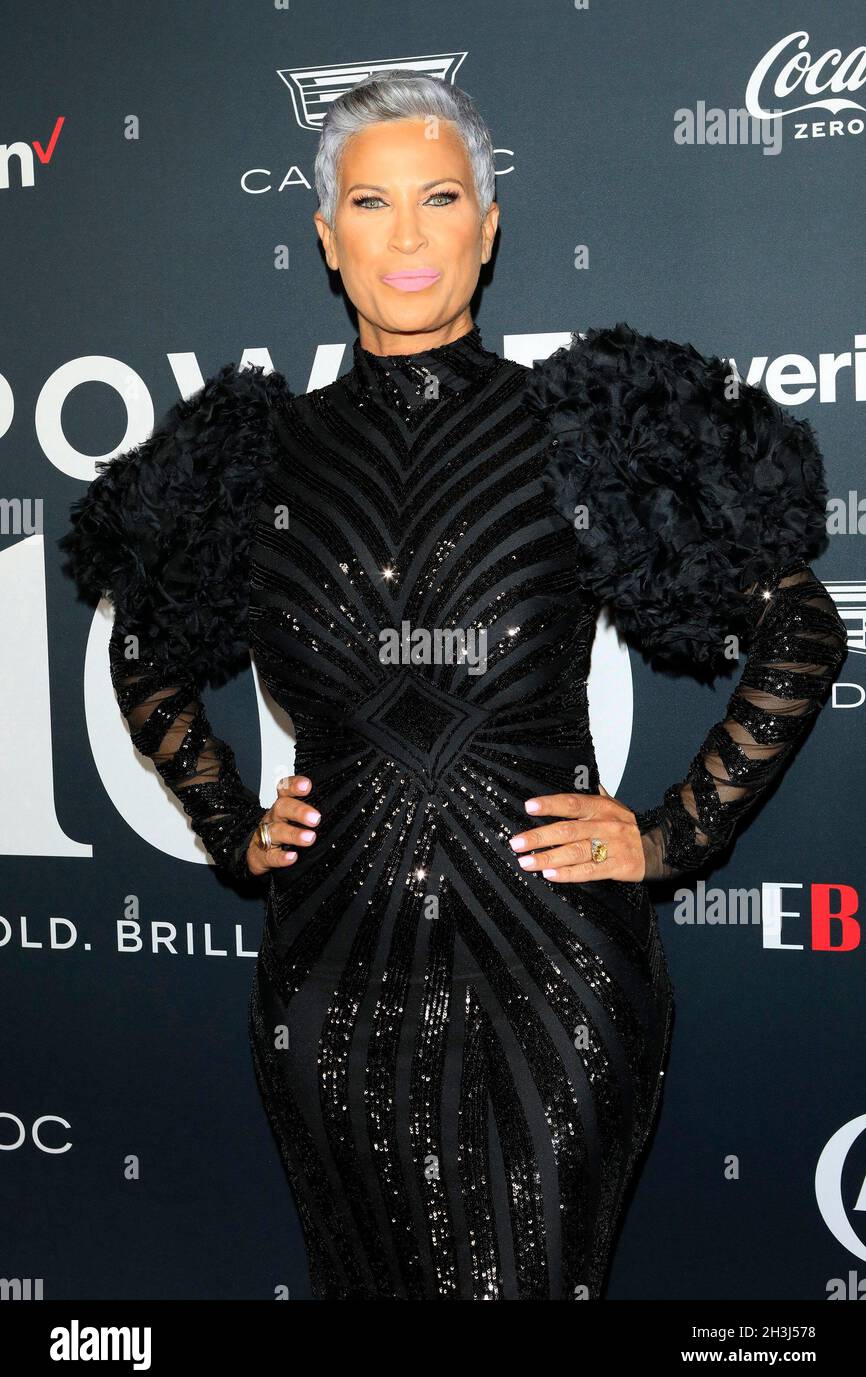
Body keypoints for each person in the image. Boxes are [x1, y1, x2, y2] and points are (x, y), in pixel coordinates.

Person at [60, 70, 847, 1300]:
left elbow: (797, 625)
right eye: (371, 202)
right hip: (333, 973)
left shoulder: (587, 428)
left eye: (441, 198)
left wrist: (672, 834)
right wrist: (230, 826)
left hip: (553, 973)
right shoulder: (251, 457)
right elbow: (140, 644)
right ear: (326, 237)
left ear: (488, 226)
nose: (410, 234)